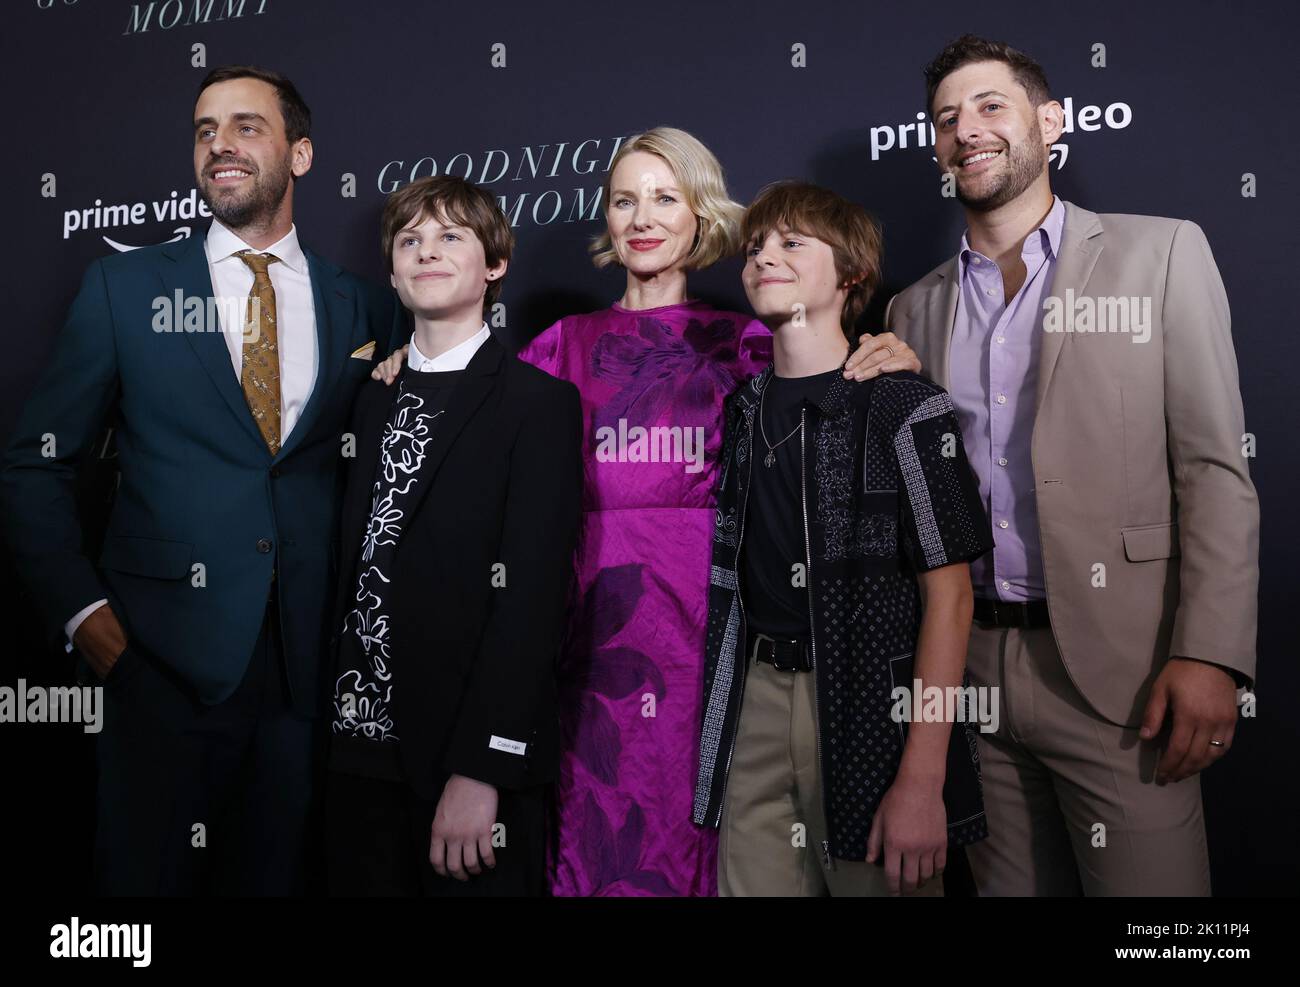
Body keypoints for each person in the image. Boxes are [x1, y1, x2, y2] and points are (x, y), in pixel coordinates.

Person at [375, 127, 921, 895]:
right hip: (583, 647)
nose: (643, 216)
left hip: (714, 646)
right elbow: (474, 429)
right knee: (591, 844)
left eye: (666, 197)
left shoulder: (749, 345)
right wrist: (413, 365)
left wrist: (889, 356)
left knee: (709, 846)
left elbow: (840, 403)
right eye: (625, 199)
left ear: (700, 215)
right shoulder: (558, 347)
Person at [865, 34, 1259, 895]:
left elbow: (1214, 471)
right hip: (973, 677)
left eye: (990, 106)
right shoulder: (913, 307)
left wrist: (1214, 654)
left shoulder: (1160, 256)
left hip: (1127, 678)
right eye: (946, 118)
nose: (967, 129)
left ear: (1052, 121)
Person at [0, 66, 404, 894]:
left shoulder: (366, 306)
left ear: (300, 153)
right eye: (204, 129)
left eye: (246, 126)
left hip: (306, 675)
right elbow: (34, 461)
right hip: (156, 668)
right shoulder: (124, 288)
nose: (219, 143)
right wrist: (87, 620)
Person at [694, 180, 992, 896]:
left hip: (870, 710)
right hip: (758, 699)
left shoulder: (904, 405)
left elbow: (950, 601)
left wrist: (922, 779)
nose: (766, 255)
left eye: (793, 242)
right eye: (757, 244)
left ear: (852, 273)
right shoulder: (741, 410)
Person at [324, 175, 581, 896]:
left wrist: (484, 768)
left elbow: (530, 602)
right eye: (410, 240)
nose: (426, 252)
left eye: (449, 237)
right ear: (392, 269)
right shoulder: (366, 399)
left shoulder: (540, 405)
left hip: (462, 761)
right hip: (352, 752)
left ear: (495, 264)